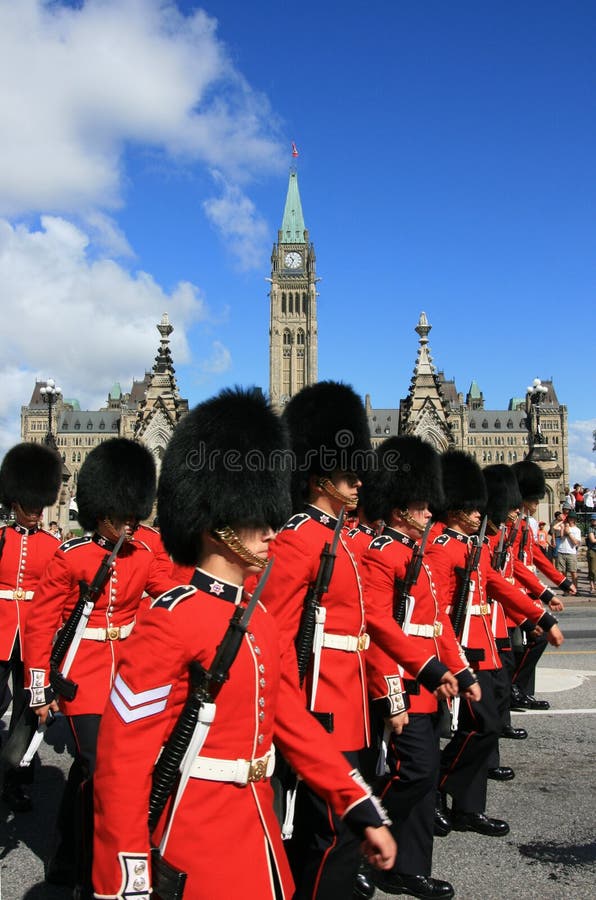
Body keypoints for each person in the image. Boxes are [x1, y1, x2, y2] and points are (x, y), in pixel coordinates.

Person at [92, 387, 396, 900]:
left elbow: (292, 722)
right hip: (196, 843)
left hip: (259, 835)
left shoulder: (260, 622)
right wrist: (125, 876)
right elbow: (123, 762)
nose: (271, 530)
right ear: (217, 522)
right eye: (256, 518)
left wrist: (357, 802)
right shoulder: (171, 621)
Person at [257, 381, 458, 900]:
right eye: (349, 476)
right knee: (329, 834)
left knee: (339, 831)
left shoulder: (342, 539)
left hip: (353, 703)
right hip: (319, 701)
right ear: (320, 476)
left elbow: (374, 623)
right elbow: (275, 634)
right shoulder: (300, 538)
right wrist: (285, 710)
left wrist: (429, 669)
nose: (359, 484)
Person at [24, 438, 173, 893]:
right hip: (83, 676)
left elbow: (171, 594)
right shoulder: (73, 557)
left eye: (133, 514)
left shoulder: (143, 554)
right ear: (99, 510)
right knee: (98, 763)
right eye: (121, 514)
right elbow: (40, 624)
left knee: (97, 771)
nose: (130, 522)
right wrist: (39, 688)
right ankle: (90, 868)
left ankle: (70, 852)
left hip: (127, 675)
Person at [359, 436, 480, 900]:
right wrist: (392, 696)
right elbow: (379, 629)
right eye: (421, 504)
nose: (430, 512)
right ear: (399, 508)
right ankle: (363, 841)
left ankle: (408, 868)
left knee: (425, 779)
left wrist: (461, 673)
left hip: (430, 683)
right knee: (414, 772)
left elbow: (438, 625)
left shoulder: (418, 558)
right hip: (404, 682)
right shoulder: (381, 552)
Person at [426, 451, 564, 838]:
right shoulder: (441, 547)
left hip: (483, 642)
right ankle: (437, 784)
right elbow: (437, 607)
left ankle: (468, 807)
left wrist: (540, 615)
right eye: (472, 507)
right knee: (481, 724)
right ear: (455, 507)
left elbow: (499, 584)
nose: (479, 513)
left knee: (488, 722)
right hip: (460, 647)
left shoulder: (473, 545)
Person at [0, 442, 62, 812]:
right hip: (1, 629)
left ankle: (15, 779)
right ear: (15, 502)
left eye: (40, 506)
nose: (36, 513)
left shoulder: (53, 545)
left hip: (34, 634)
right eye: (30, 506)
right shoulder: (1, 537)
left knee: (27, 712)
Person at [509, 461, 576, 710]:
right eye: (534, 499)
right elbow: (513, 563)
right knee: (530, 640)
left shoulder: (523, 523)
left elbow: (535, 554)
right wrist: (546, 592)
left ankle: (523, 690)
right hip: (516, 589)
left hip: (528, 587)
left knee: (529, 641)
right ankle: (514, 688)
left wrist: (561, 580)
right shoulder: (512, 525)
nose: (537, 503)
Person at [555, 511, 582, 590]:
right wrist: (562, 522)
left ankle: (575, 589)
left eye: (572, 518)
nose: (571, 519)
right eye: (569, 518)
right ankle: (566, 589)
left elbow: (576, 542)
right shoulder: (563, 526)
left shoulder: (577, 530)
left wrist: (569, 533)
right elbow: (555, 527)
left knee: (573, 572)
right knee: (563, 573)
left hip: (571, 552)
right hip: (561, 551)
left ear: (575, 519)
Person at [587, 515, 596, 595]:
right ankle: (592, 587)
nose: (593, 521)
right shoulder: (591, 528)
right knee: (592, 570)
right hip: (593, 550)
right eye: (592, 520)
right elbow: (592, 540)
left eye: (595, 520)